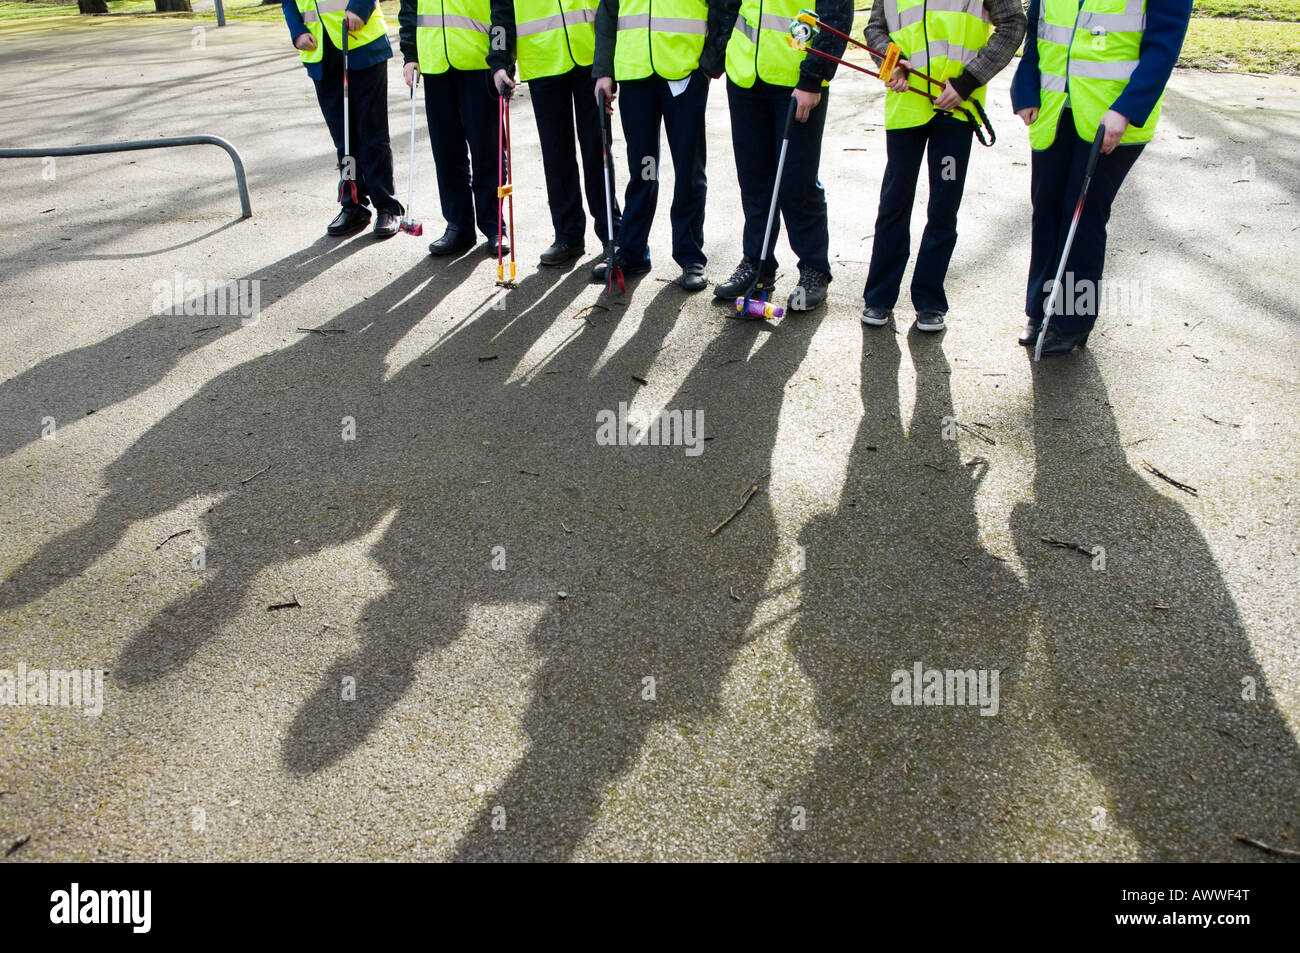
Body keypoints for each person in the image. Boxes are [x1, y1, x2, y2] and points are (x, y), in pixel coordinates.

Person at [1011, 0, 1192, 355]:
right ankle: (1041, 310)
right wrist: (1026, 87)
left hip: (1111, 118)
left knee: (1083, 216)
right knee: (1046, 208)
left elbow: (1164, 44)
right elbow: (1038, 29)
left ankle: (1073, 321)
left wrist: (1126, 109)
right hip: (1053, 109)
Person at [859, 0, 1024, 333]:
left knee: (943, 208)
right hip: (905, 109)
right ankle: (878, 297)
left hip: (956, 110)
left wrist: (967, 81)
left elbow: (1013, 25)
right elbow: (875, 28)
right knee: (894, 203)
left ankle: (930, 300)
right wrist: (890, 62)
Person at [710, 0, 851, 312]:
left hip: (796, 81)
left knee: (796, 182)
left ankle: (814, 270)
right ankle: (757, 266)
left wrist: (813, 77)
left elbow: (836, 15)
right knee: (754, 180)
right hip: (745, 75)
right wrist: (719, 52)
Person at [591, 0, 731, 291]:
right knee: (644, 169)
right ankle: (632, 251)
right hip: (635, 75)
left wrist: (709, 65)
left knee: (688, 169)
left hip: (685, 74)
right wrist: (604, 70)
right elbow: (608, 13)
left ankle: (691, 256)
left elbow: (724, 7)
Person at [488, 0, 622, 267]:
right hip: (542, 60)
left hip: (590, 56)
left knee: (598, 149)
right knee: (555, 154)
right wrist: (499, 62)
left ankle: (612, 233)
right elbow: (502, 12)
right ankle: (568, 236)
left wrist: (608, 60)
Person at [283, 0, 404, 238]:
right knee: (343, 137)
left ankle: (387, 206)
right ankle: (353, 204)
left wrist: (360, 7)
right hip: (321, 50)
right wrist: (297, 31)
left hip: (362, 40)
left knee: (373, 133)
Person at [399, 0, 508, 257]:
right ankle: (458, 226)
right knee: (446, 151)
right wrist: (410, 55)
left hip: (479, 61)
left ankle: (495, 227)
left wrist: (501, 58)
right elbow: (409, 11)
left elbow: (502, 8)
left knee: (488, 149)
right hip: (435, 63)